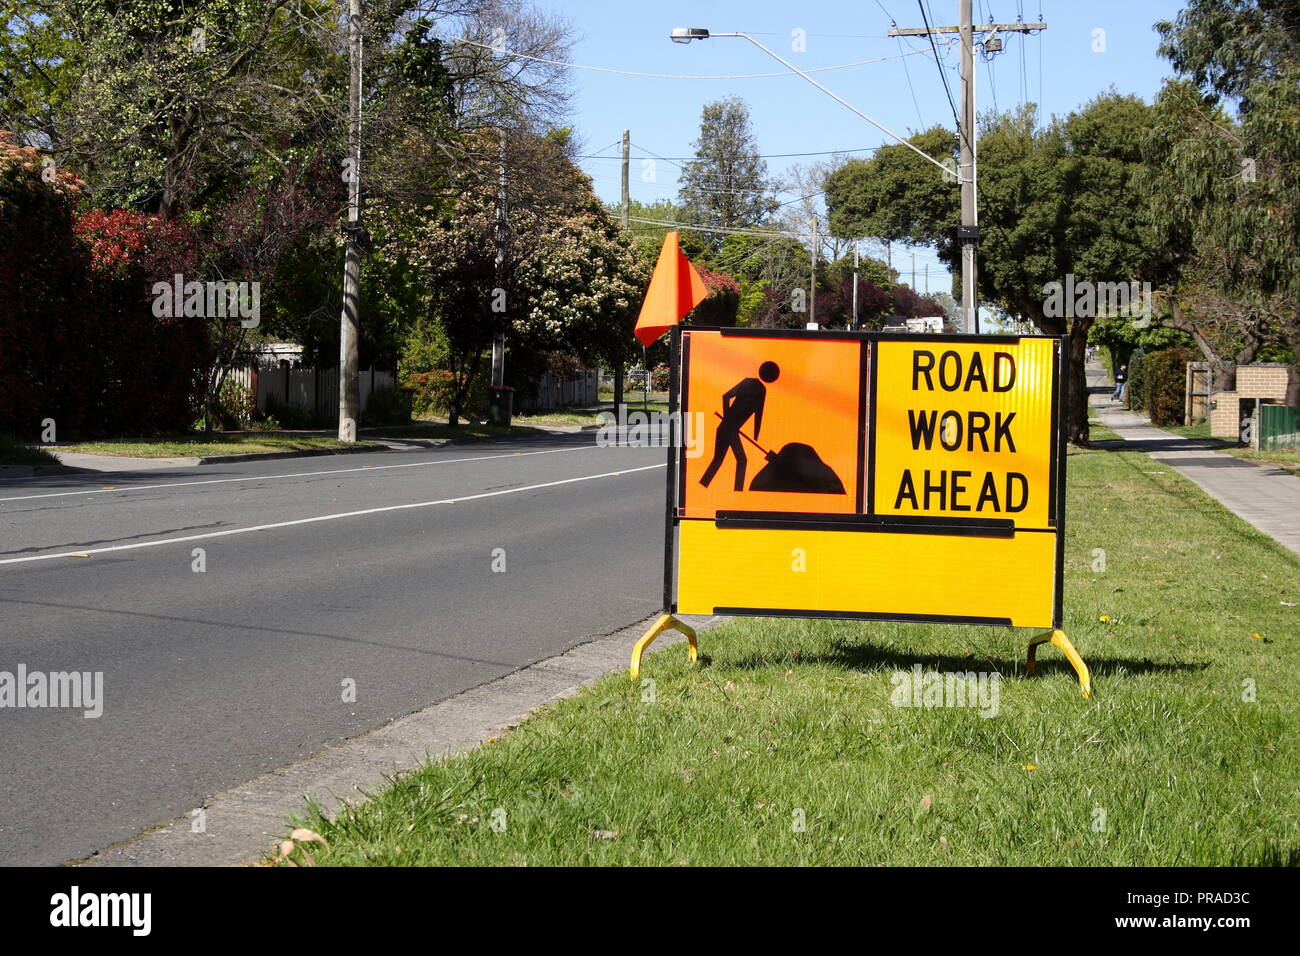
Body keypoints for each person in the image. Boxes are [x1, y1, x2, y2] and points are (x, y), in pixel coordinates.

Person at [700, 361, 780, 491]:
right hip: (727, 429)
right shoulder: (751, 384)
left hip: (730, 429)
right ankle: (737, 491)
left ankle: (706, 484)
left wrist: (756, 436)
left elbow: (758, 415)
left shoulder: (757, 387)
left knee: (721, 460)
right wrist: (727, 419)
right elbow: (726, 396)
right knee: (736, 461)